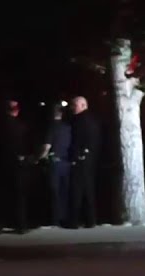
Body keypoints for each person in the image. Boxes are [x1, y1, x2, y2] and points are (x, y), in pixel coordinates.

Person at [0, 100, 29, 234]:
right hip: (17, 165)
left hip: (1, 165)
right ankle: (21, 226)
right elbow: (25, 146)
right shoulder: (21, 126)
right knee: (19, 197)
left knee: (1, 197)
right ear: (16, 111)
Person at [38, 104, 72, 227]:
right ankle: (65, 218)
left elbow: (46, 147)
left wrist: (39, 158)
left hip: (55, 163)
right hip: (66, 163)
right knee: (65, 192)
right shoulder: (67, 128)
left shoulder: (51, 128)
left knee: (54, 192)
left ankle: (54, 219)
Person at [69, 96, 99, 228]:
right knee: (87, 190)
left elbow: (80, 141)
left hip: (81, 159)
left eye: (75, 105)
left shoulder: (81, 121)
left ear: (83, 105)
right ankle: (90, 220)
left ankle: (74, 221)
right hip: (89, 159)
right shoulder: (90, 120)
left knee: (77, 190)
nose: (72, 108)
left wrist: (79, 155)